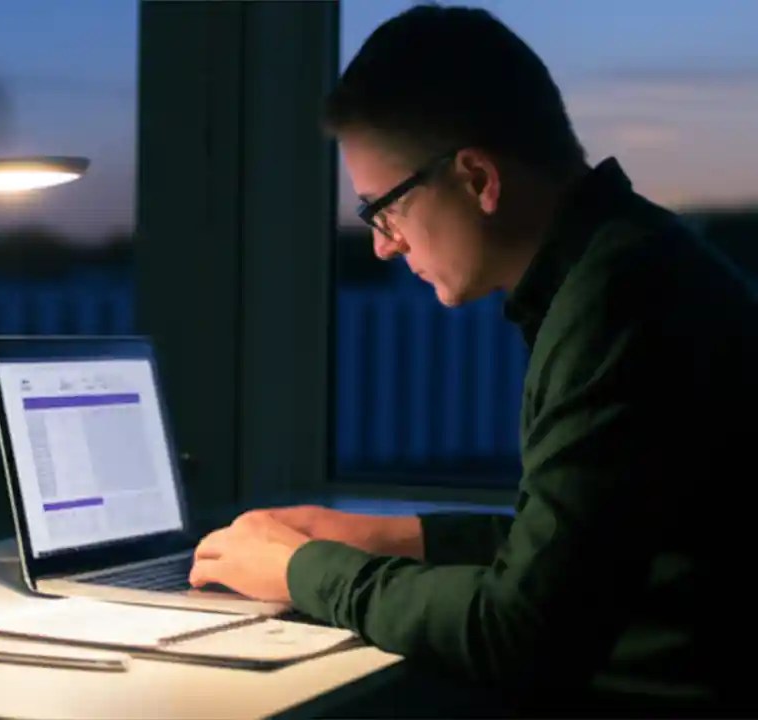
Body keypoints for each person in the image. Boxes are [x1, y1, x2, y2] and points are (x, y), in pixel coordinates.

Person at [188, 4, 756, 716]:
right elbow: (572, 549)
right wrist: (384, 537)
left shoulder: (620, 304)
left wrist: (304, 572)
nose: (382, 245)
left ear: (477, 178)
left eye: (381, 209)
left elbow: (521, 631)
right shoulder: (628, 263)